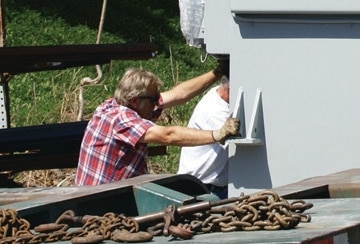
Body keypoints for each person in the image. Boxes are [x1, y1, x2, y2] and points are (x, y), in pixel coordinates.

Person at [75, 63, 239, 186]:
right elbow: (168, 136)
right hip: (99, 203)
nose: (157, 104)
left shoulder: (114, 105)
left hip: (104, 194)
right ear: (135, 101)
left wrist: (218, 71)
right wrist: (217, 134)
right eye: (153, 100)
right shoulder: (122, 119)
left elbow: (179, 94)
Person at [176, 77, 232, 198]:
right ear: (230, 90)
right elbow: (238, 148)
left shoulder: (217, 93)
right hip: (203, 189)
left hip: (212, 185)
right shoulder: (215, 112)